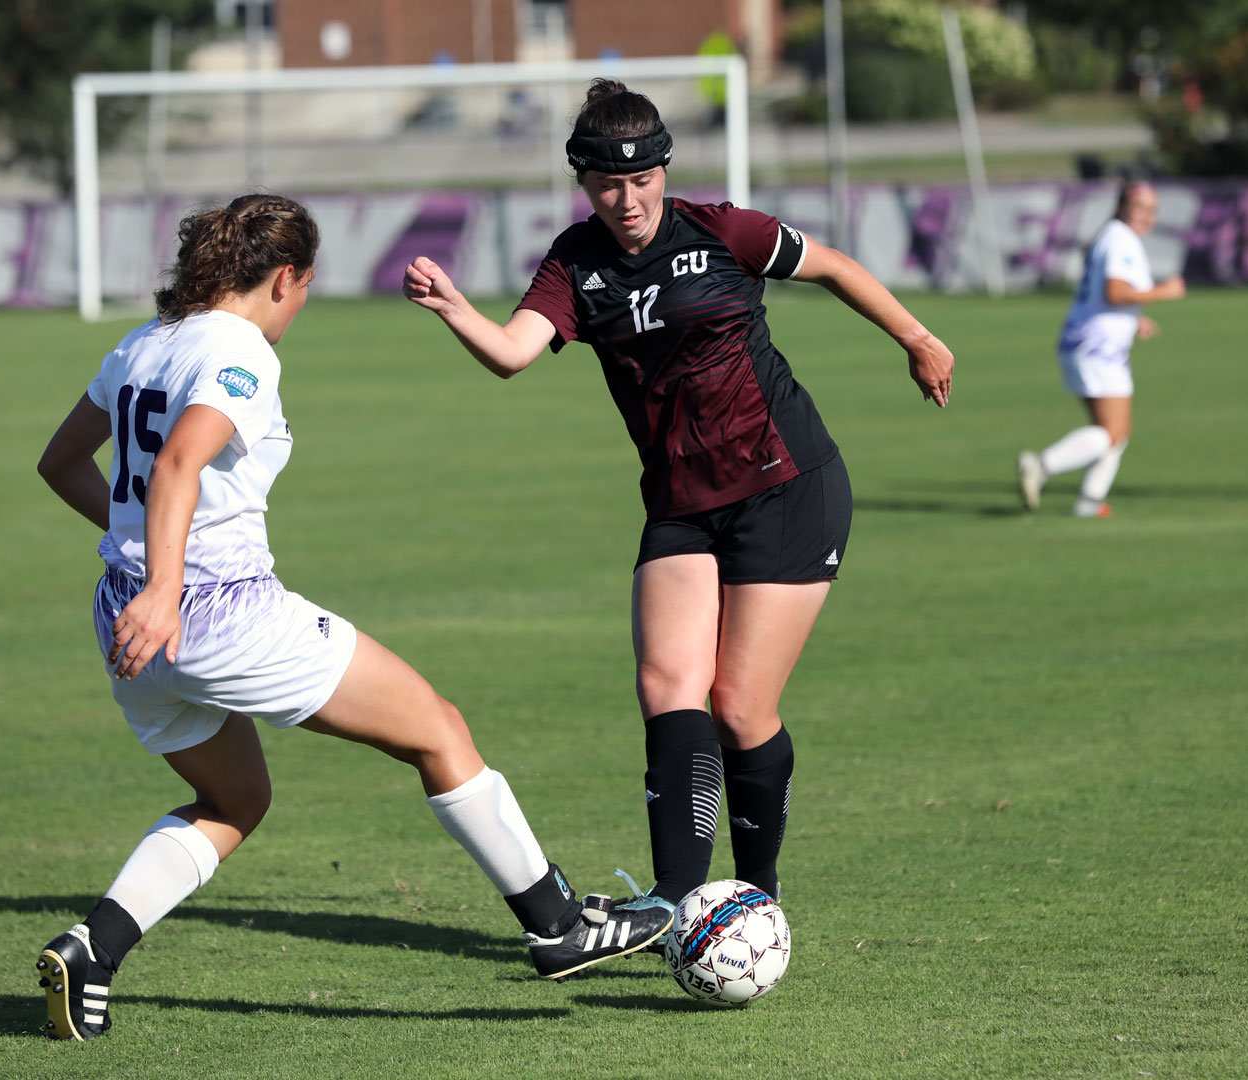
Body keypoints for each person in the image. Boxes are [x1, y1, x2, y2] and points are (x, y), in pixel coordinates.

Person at [31, 194, 668, 1041]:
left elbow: (61, 461)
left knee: (234, 799)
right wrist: (165, 585)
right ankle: (556, 926)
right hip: (213, 614)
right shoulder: (241, 352)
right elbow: (182, 459)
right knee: (438, 730)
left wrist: (141, 568)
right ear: (285, 280)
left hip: (130, 620)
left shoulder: (143, 344)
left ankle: (91, 954)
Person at [403, 80, 954, 926]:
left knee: (738, 708)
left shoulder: (724, 229)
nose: (627, 201)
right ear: (583, 182)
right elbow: (515, 352)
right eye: (606, 185)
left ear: (665, 167)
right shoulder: (576, 261)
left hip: (786, 487)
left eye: (642, 180)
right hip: (680, 503)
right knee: (667, 686)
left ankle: (758, 897)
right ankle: (672, 900)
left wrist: (917, 340)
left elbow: (835, 267)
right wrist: (454, 309)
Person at [1017, 180, 1184, 517]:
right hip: (1096, 348)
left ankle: (1089, 502)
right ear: (1122, 206)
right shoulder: (1120, 238)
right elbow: (1116, 292)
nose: (1146, 215)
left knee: (1113, 432)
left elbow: (1104, 295)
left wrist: (1133, 320)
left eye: (1152, 209)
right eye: (1139, 207)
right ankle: (1041, 465)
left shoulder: (1114, 236)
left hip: (1089, 341)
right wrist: (1163, 292)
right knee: (1113, 432)